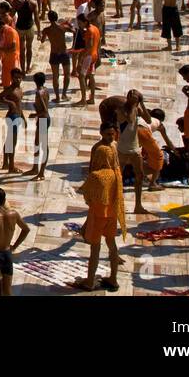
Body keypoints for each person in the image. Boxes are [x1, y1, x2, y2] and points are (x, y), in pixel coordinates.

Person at [73, 122, 126, 291]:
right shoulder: (115, 173)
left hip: (98, 214)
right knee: (112, 244)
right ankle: (113, 278)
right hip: (112, 213)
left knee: (95, 249)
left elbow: (88, 197)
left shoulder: (96, 176)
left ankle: (89, 281)